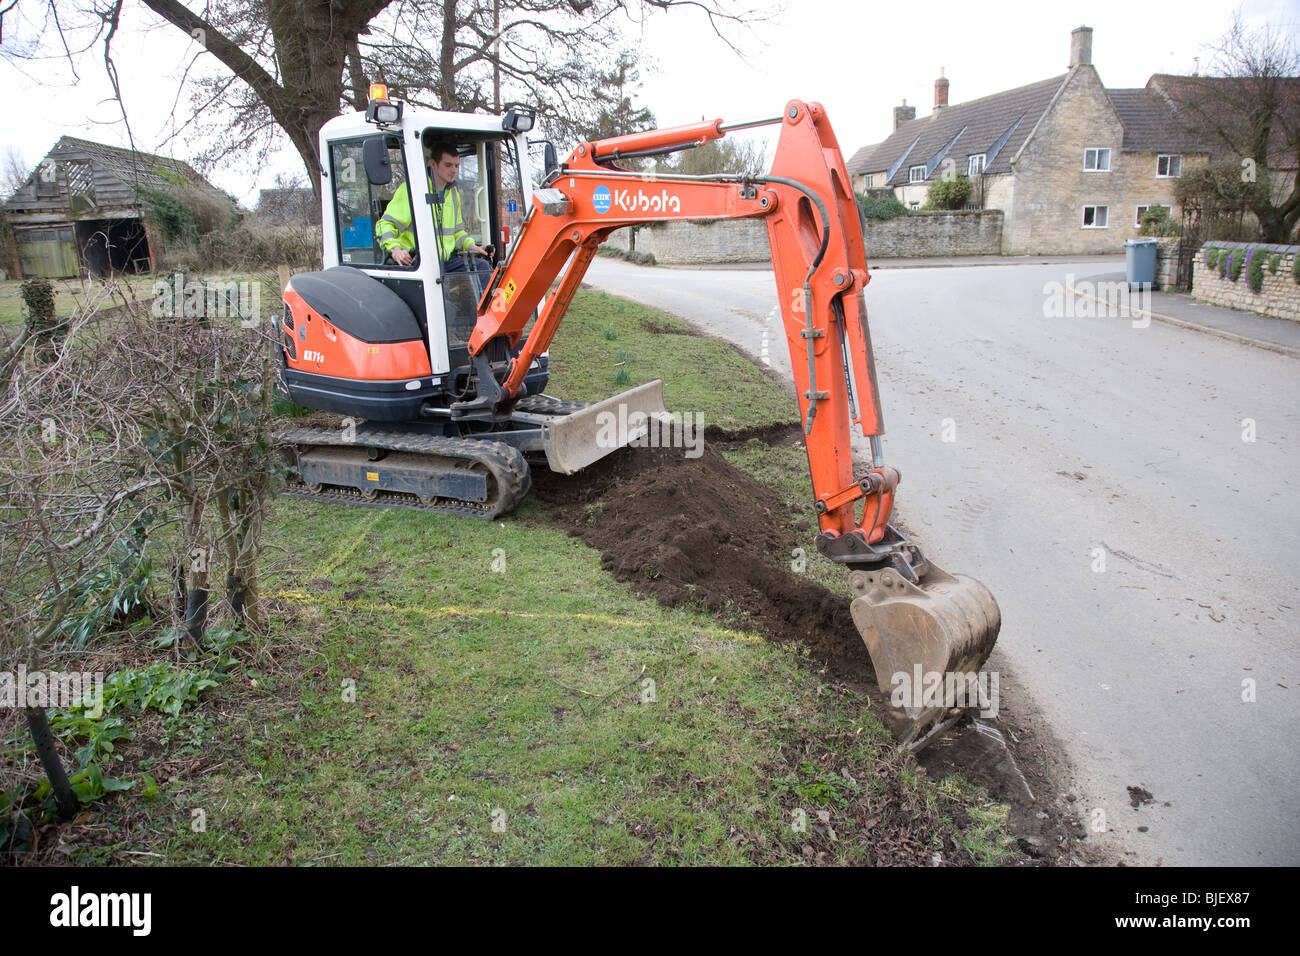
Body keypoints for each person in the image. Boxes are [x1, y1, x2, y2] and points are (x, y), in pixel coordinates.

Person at [376, 143, 492, 274]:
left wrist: (474, 247)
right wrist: (395, 250)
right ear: (434, 164)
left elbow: (457, 233)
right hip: (418, 263)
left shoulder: (453, 194)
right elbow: (384, 224)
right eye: (448, 165)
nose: (454, 170)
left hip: (444, 263)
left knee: (482, 266)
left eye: (456, 165)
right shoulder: (412, 190)